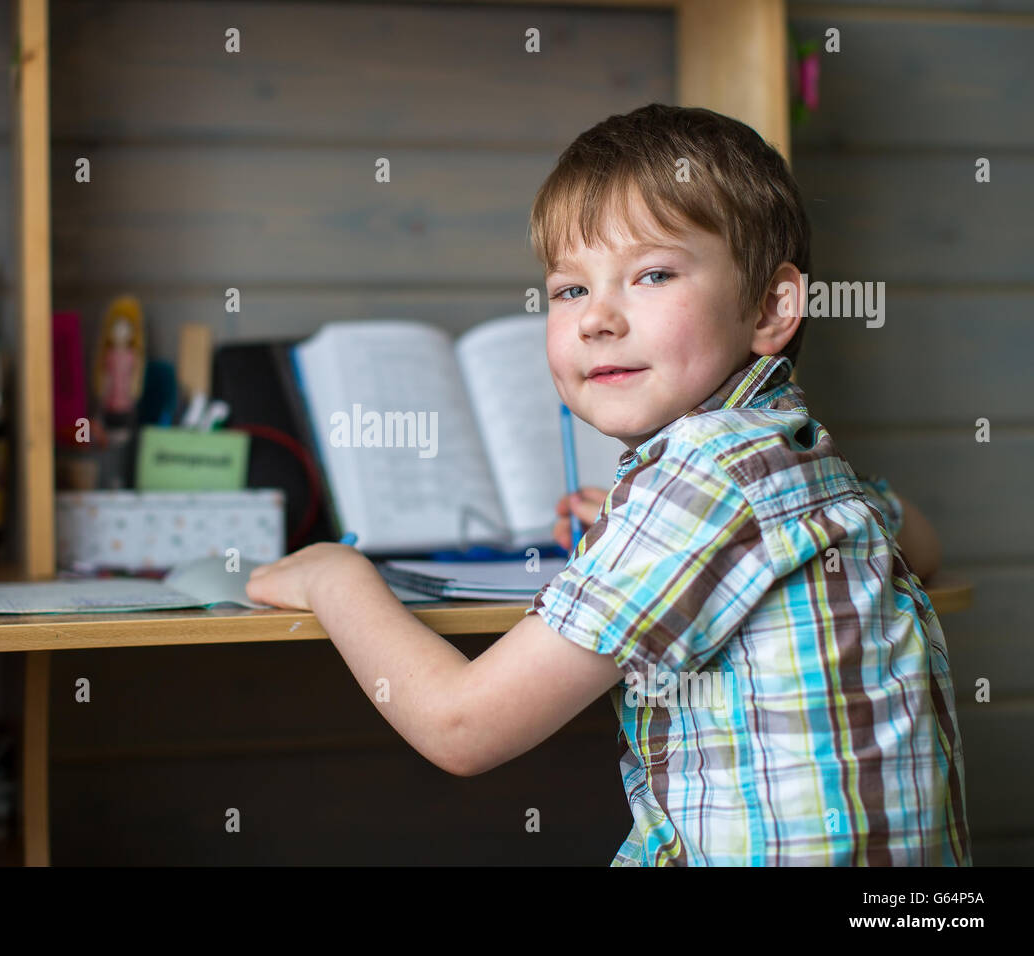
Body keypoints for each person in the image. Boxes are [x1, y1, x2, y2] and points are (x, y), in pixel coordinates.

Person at [246, 104, 969, 866]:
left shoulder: (700, 477)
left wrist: (337, 576)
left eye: (652, 274)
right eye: (568, 290)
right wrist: (646, 533)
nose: (598, 319)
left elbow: (461, 729)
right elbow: (915, 534)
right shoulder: (791, 454)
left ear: (770, 307)